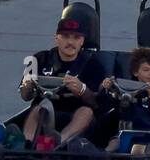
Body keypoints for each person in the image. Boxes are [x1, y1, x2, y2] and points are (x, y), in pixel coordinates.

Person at [17, 16, 106, 150]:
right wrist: (27, 85)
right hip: (45, 113)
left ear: (82, 41)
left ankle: (59, 143)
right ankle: (27, 144)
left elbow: (97, 104)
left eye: (76, 38)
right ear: (56, 38)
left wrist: (82, 90)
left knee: (86, 111)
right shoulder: (39, 59)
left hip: (75, 115)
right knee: (39, 108)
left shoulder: (92, 64)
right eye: (65, 36)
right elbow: (25, 97)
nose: (70, 42)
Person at [101, 47, 150, 151]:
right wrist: (108, 88)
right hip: (126, 127)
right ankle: (105, 154)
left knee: (138, 147)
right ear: (135, 72)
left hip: (149, 130)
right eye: (146, 70)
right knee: (116, 140)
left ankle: (136, 156)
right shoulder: (125, 85)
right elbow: (108, 104)